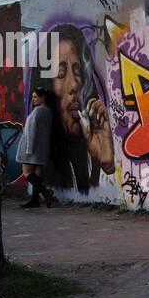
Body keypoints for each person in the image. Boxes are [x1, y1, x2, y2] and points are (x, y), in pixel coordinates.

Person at [44, 24, 115, 193]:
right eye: (61, 73)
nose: (74, 84)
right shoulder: (45, 152)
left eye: (78, 71)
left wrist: (106, 163)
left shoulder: (90, 147)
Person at [15, 88, 56, 208]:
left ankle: (45, 192)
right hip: (42, 148)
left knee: (27, 172)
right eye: (32, 97)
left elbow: (31, 132)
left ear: (43, 98)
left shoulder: (37, 112)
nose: (33, 100)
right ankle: (35, 200)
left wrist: (28, 149)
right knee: (38, 174)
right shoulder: (48, 111)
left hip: (32, 148)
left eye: (35, 97)